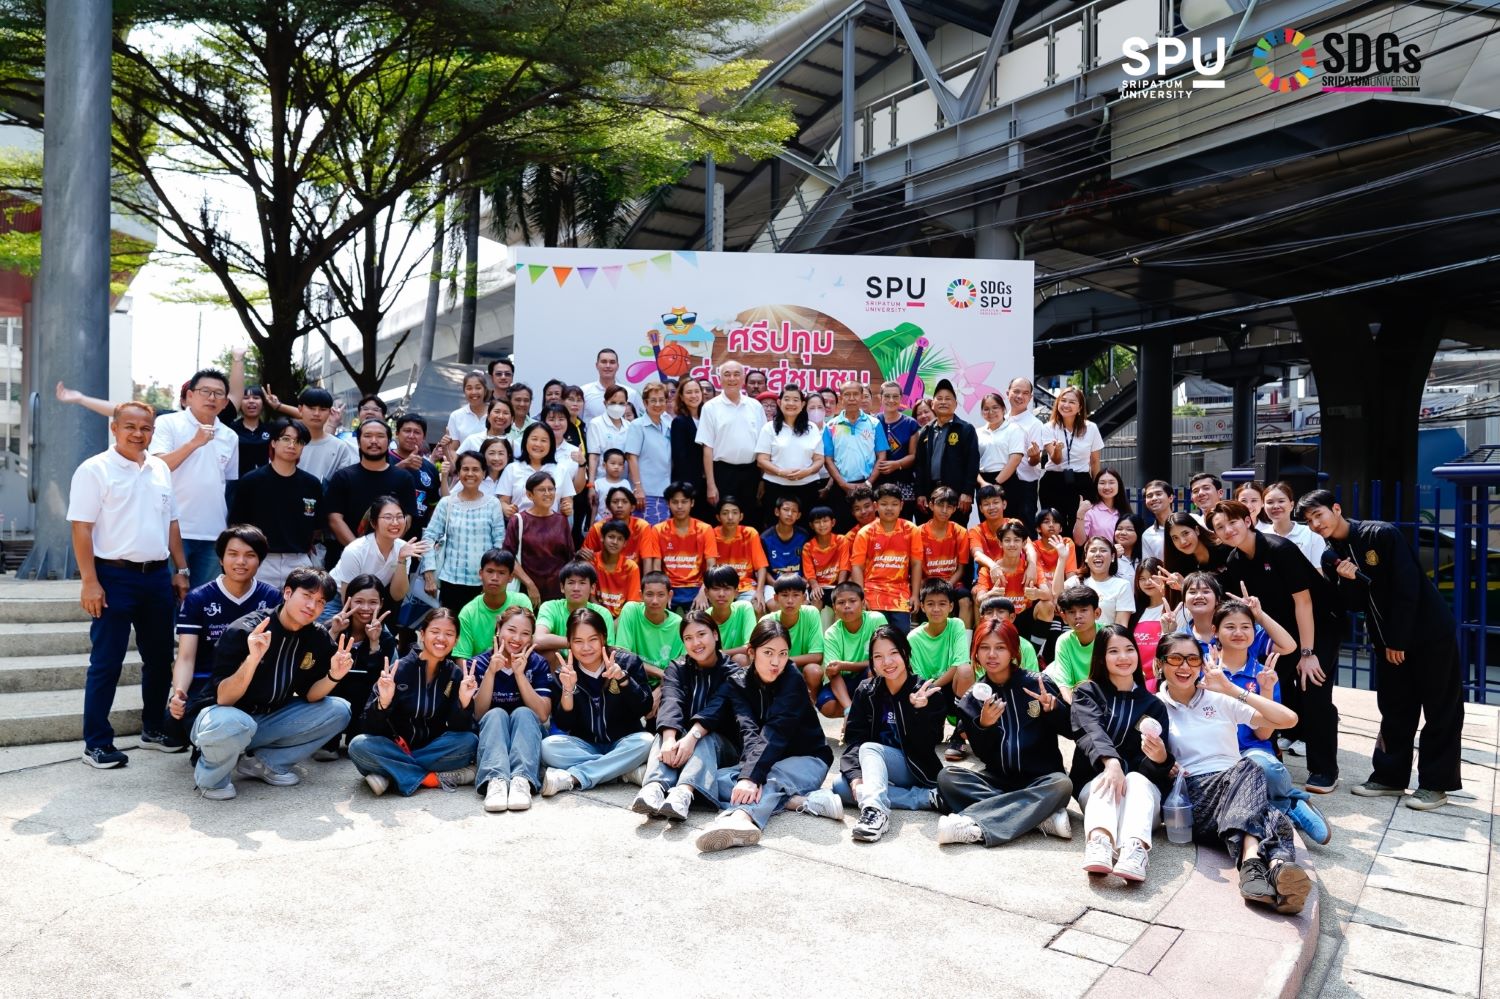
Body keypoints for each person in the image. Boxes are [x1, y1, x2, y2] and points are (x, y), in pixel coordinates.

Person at [1299, 490, 1464, 810]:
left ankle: (1435, 784)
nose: (1316, 524)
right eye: (1309, 521)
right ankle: (1389, 777)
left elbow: (1407, 587)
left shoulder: (1380, 534)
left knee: (1441, 708)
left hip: (1427, 633)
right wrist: (1347, 580)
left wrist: (1398, 641)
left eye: (1319, 515)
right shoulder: (1331, 555)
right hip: (1387, 641)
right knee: (1395, 706)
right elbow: (1352, 605)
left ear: (1336, 508)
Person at [68, 402, 190, 768]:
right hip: (113, 576)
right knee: (107, 661)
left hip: (156, 577)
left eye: (146, 428)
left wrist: (181, 568)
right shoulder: (94, 470)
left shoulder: (160, 469)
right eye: (130, 427)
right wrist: (90, 582)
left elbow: (171, 522)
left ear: (153, 430)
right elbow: (81, 528)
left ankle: (153, 728)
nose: (138, 434)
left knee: (160, 658)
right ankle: (96, 743)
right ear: (114, 428)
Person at [1155, 632, 1310, 914]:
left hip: (1237, 790)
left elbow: (1289, 719)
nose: (1185, 666)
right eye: (1175, 658)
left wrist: (1231, 688)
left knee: (1268, 809)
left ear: (1202, 664)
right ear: (1160, 664)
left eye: (1192, 659)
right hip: (1195, 798)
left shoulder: (1219, 699)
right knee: (1251, 770)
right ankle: (1274, 864)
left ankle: (1266, 869)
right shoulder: (1155, 706)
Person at [184, 568, 356, 799]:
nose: (312, 606)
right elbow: (224, 698)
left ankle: (263, 764)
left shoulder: (317, 637)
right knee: (233, 722)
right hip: (219, 717)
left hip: (265, 719)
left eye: (320, 602)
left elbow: (311, 695)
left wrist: (334, 675)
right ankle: (212, 779)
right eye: (307, 595)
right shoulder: (246, 630)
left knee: (339, 710)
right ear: (287, 593)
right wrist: (252, 659)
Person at [1213, 499, 1341, 794]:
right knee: (1270, 685)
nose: (1228, 530)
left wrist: (1307, 653)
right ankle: (1270, 753)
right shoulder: (1234, 560)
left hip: (1318, 625)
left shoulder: (1279, 549)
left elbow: (1304, 603)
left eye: (1232, 522)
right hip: (1280, 631)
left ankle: (1324, 769)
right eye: (1220, 527)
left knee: (1313, 690)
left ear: (1248, 520)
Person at [691, 619, 842, 851]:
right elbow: (749, 731)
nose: (776, 662)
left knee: (767, 780)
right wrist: (749, 777)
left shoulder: (792, 679)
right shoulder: (739, 683)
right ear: (751, 652)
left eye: (783, 653)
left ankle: (742, 818)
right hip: (767, 760)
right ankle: (799, 802)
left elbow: (775, 732)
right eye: (768, 652)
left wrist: (752, 778)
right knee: (715, 780)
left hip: (809, 759)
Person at [935, 619, 1075, 847]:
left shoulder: (1038, 684)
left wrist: (1054, 709)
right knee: (947, 778)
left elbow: (1071, 731)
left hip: (1041, 780)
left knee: (1062, 785)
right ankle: (1040, 816)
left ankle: (975, 827)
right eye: (984, 647)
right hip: (997, 781)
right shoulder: (972, 699)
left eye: (1000, 647)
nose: (992, 654)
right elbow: (982, 754)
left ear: (1013, 651)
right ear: (976, 652)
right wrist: (984, 725)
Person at [1068, 625, 1174, 881]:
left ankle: (1134, 851)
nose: (1123, 657)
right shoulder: (1087, 693)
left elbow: (1153, 769)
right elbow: (1091, 731)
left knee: (1137, 779)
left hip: (1140, 800)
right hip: (1096, 791)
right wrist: (1112, 764)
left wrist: (1161, 758)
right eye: (1113, 651)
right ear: (1101, 658)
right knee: (1106, 778)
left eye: (1129, 649)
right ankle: (1099, 843)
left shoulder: (1153, 705)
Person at [167, 527, 281, 751]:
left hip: (254, 683)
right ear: (220, 559)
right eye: (233, 554)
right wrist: (179, 692)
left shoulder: (271, 597)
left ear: (260, 560)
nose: (241, 562)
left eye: (250, 555)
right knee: (175, 726)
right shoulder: (198, 598)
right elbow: (186, 657)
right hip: (206, 684)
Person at [834, 625, 951, 841]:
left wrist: (918, 711)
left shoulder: (926, 693)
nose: (887, 662)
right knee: (841, 787)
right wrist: (855, 777)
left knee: (870, 749)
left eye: (893, 653)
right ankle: (927, 798)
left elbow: (929, 743)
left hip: (913, 767)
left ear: (905, 653)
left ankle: (876, 812)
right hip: (875, 767)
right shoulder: (866, 691)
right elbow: (855, 739)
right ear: (872, 661)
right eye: (878, 656)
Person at [348, 608, 478, 795]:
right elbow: (368, 726)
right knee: (358, 746)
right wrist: (383, 702)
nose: (441, 638)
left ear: (456, 640)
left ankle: (390, 774)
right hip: (392, 747)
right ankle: (431, 779)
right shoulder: (398, 670)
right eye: (435, 631)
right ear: (422, 634)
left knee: (470, 741)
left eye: (449, 634)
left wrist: (464, 703)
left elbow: (460, 728)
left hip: (433, 749)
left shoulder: (454, 674)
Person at [632, 611, 736, 820]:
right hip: (683, 742)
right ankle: (654, 788)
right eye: (688, 638)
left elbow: (717, 708)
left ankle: (684, 793)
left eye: (701, 634)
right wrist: (670, 739)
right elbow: (672, 701)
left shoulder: (732, 671)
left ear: (715, 635)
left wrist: (692, 737)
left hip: (722, 746)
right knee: (664, 735)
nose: (696, 643)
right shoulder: (677, 668)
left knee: (703, 738)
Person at [539, 607, 654, 795]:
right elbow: (565, 724)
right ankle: (622, 771)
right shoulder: (565, 673)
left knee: (647, 741)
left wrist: (624, 680)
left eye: (592, 639)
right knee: (547, 747)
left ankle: (574, 777)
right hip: (586, 745)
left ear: (603, 638)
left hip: (624, 741)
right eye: (578, 641)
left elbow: (645, 708)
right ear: (569, 643)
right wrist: (568, 689)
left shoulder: (627, 663)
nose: (586, 647)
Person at [148, 367, 240, 586]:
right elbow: (158, 466)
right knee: (169, 597)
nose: (211, 398)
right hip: (171, 529)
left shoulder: (230, 436)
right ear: (189, 396)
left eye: (218, 393)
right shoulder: (168, 423)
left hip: (213, 533)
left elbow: (228, 484)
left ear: (225, 402)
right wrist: (194, 443)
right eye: (205, 391)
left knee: (204, 600)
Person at [471, 606, 553, 812]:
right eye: (511, 630)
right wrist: (491, 673)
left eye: (525, 633)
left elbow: (543, 714)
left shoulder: (537, 663)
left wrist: (519, 674)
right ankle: (495, 781)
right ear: (499, 629)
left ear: (531, 638)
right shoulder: (480, 663)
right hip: (492, 741)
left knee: (523, 712)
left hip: (527, 739)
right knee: (496, 713)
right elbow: (478, 714)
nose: (517, 638)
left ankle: (521, 780)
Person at [229, 418, 323, 589]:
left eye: (298, 441)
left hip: (299, 560)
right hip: (261, 560)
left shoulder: (312, 484)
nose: (292, 445)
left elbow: (316, 527)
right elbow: (236, 525)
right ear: (273, 442)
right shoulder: (251, 481)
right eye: (286, 439)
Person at [317, 574, 398, 759]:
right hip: (332, 697)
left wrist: (374, 644)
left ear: (381, 603)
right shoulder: (331, 627)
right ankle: (328, 740)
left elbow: (378, 678)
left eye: (373, 602)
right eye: (359, 601)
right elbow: (315, 666)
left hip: (363, 702)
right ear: (348, 601)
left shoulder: (386, 638)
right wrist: (333, 633)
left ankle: (357, 736)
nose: (366, 608)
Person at [321, 418, 417, 570]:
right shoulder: (343, 477)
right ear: (359, 442)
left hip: (387, 561)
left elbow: (407, 518)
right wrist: (360, 553)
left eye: (380, 436)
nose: (374, 441)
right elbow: (334, 519)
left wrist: (382, 551)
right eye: (367, 436)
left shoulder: (404, 478)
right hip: (345, 560)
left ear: (389, 442)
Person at [419, 450, 507, 614]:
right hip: (450, 581)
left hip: (483, 583)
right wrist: (429, 574)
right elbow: (429, 537)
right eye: (465, 469)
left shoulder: (493, 504)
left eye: (476, 469)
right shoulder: (447, 503)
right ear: (458, 473)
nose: (470, 474)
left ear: (484, 473)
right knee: (451, 626)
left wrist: (493, 577)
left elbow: (499, 544)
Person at [698, 361, 767, 523]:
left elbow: (763, 446)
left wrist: (762, 479)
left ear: (743, 379)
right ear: (719, 379)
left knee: (750, 520)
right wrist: (710, 484)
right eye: (727, 374)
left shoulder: (755, 406)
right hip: (722, 473)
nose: (732, 379)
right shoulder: (710, 407)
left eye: (736, 374)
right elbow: (707, 448)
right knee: (723, 521)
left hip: (751, 473)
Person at [329, 496, 426, 605]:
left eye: (399, 517)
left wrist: (402, 560)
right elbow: (346, 599)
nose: (395, 522)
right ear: (373, 523)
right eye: (388, 517)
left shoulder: (404, 549)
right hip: (336, 599)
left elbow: (397, 595)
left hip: (368, 602)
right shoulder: (356, 550)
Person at [850, 483, 918, 634]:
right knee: (875, 636)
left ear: (901, 505)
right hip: (872, 592)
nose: (889, 508)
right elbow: (857, 567)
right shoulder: (865, 533)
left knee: (901, 636)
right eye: (884, 504)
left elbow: (916, 564)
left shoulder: (911, 530)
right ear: (876, 506)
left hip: (900, 594)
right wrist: (861, 596)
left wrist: (915, 595)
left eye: (894, 504)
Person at [641, 482, 718, 612]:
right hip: (668, 586)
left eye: (684, 502)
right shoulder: (658, 530)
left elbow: (711, 566)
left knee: (700, 620)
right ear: (668, 503)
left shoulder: (705, 529)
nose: (680, 506)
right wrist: (661, 592)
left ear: (692, 503)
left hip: (696, 586)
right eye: (675, 502)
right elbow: (656, 567)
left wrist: (703, 592)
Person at [502, 471, 576, 605]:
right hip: (526, 590)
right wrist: (530, 584)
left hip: (557, 592)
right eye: (542, 490)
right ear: (530, 495)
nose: (547, 493)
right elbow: (508, 557)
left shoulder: (562, 520)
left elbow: (569, 558)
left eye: (551, 489)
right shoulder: (518, 520)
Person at [1037, 386, 1102, 535]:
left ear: (1080, 407)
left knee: (1080, 525)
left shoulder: (1091, 428)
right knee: (1053, 526)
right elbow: (1056, 459)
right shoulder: (1049, 427)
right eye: (1063, 400)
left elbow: (1095, 462)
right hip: (1054, 481)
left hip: (1081, 481)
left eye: (1072, 402)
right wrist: (1058, 449)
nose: (1066, 405)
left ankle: (1078, 551)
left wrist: (1096, 488)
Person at [821, 380, 885, 531]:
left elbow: (882, 456)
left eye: (855, 394)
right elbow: (828, 459)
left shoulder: (874, 424)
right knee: (842, 531)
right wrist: (843, 484)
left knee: (870, 531)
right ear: (841, 398)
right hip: (841, 488)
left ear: (862, 396)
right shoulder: (831, 426)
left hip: (868, 486)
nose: (851, 398)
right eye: (847, 395)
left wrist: (868, 483)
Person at [755, 383, 825, 520]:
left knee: (805, 526)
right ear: (779, 402)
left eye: (795, 400)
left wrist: (807, 472)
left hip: (807, 486)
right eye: (787, 399)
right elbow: (761, 460)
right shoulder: (769, 428)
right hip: (776, 487)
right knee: (775, 524)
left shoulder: (812, 428)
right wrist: (780, 472)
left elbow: (819, 459)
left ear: (802, 404)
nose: (791, 403)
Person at [913, 379, 979, 520]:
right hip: (930, 496)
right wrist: (920, 493)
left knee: (956, 532)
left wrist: (967, 492)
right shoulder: (925, 431)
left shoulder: (965, 429)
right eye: (940, 398)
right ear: (933, 404)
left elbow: (972, 463)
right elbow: (919, 465)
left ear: (955, 404)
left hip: (957, 497)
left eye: (948, 399)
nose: (943, 402)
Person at [818, 582, 886, 718]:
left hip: (868, 674)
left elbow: (883, 659)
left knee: (874, 670)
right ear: (834, 608)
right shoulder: (832, 633)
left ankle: (872, 715)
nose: (847, 606)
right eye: (841, 602)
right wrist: (849, 709)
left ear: (863, 603)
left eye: (852, 601)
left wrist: (844, 665)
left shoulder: (876, 620)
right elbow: (833, 672)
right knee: (827, 706)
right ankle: (851, 713)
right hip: (844, 681)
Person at [454, 549, 534, 658]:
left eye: (501, 573)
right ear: (481, 573)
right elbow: (462, 657)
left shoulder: (521, 601)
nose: (495, 578)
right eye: (490, 571)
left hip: (518, 662)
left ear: (511, 577)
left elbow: (529, 641)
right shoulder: (468, 612)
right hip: (480, 667)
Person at [911, 485, 972, 628]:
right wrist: (922, 587)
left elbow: (961, 569)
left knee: (965, 601)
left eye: (949, 506)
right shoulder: (918, 532)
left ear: (955, 509)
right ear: (931, 505)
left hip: (951, 583)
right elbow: (915, 567)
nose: (944, 510)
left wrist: (947, 586)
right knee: (914, 598)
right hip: (926, 583)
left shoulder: (961, 532)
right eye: (940, 505)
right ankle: (913, 634)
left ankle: (963, 639)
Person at [615, 572, 685, 684]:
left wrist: (661, 686)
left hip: (666, 684)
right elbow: (622, 655)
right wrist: (660, 673)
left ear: (669, 595)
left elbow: (679, 668)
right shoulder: (631, 610)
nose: (655, 601)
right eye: (649, 594)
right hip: (633, 680)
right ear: (641, 595)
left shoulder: (679, 624)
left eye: (661, 595)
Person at [499, 423, 578, 518]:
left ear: (551, 444)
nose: (538, 444)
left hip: (551, 524)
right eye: (534, 439)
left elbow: (567, 500)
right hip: (520, 524)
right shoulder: (512, 469)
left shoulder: (561, 470)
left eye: (544, 440)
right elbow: (503, 501)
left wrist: (567, 507)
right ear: (525, 441)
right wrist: (506, 508)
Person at [624, 381, 674, 524]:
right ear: (645, 403)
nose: (657, 404)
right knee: (647, 533)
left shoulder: (668, 424)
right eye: (653, 400)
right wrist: (638, 488)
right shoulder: (637, 425)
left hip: (666, 491)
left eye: (661, 400)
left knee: (661, 534)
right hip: (646, 493)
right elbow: (631, 457)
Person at [1002, 377, 1046, 528]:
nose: (1020, 396)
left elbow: (1034, 461)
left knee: (1024, 529)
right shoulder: (1000, 420)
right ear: (1008, 393)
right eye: (1016, 391)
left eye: (1025, 393)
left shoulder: (1035, 424)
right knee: (1001, 528)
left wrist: (1034, 456)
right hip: (1001, 483)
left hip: (1024, 487)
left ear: (1030, 397)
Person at [1046, 585, 1102, 701]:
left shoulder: (1110, 636)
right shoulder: (1064, 641)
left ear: (1097, 613)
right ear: (1064, 617)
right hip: (1079, 700)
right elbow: (1064, 684)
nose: (1077, 616)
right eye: (1071, 612)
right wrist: (1077, 707)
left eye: (1083, 610)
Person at [875, 381, 920, 520]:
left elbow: (913, 455)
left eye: (895, 396)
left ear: (901, 398)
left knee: (904, 524)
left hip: (904, 483)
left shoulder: (910, 423)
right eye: (887, 396)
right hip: (878, 482)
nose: (891, 400)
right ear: (880, 398)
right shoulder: (873, 422)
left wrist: (897, 464)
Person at [712, 496, 768, 606]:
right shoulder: (711, 534)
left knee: (757, 607)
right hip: (719, 587)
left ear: (741, 516)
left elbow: (761, 566)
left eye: (735, 513)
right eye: (725, 513)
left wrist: (759, 591)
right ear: (718, 517)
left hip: (745, 586)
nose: (730, 517)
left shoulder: (750, 533)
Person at [293, 387, 357, 482]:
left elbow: (343, 482)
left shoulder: (339, 447)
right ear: (300, 409)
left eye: (322, 409)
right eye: (311, 408)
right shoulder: (288, 442)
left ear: (330, 412)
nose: (316, 413)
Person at [670, 375, 711, 522]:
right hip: (690, 484)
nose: (693, 395)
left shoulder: (708, 417)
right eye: (688, 392)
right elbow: (679, 458)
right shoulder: (679, 421)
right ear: (681, 396)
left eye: (696, 391)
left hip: (709, 482)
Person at [1261, 480, 1328, 569]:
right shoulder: (1260, 537)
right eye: (1270, 502)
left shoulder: (1311, 534)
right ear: (1263, 506)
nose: (1276, 506)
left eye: (1281, 501)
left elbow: (1319, 571)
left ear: (1292, 505)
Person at [1128, 558, 1172, 686]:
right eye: (1142, 578)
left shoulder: (1174, 608)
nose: (1147, 582)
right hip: (1137, 680)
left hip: (1164, 680)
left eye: (1153, 577)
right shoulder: (1133, 611)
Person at [704, 565, 759, 663]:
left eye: (727, 588)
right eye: (716, 588)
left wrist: (719, 653)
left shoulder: (744, 608)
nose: (721, 594)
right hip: (713, 666)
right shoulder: (704, 619)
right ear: (706, 592)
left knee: (740, 658)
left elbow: (751, 646)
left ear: (736, 592)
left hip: (738, 665)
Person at [976, 392, 1024, 505]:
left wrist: (995, 484)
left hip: (1006, 481)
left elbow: (1015, 459)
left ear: (1003, 409)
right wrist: (982, 483)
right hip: (983, 483)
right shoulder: (977, 433)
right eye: (986, 409)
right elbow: (971, 462)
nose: (991, 412)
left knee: (1009, 516)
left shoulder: (1014, 429)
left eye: (995, 407)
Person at [582, 486, 652, 563]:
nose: (619, 505)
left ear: (632, 507)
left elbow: (647, 558)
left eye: (624, 502)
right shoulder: (598, 528)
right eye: (615, 502)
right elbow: (585, 557)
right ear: (608, 507)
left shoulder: (642, 527)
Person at [801, 505, 849, 614]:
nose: (822, 525)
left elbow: (844, 567)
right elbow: (809, 573)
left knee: (840, 604)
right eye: (817, 522)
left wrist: (840, 587)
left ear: (833, 522)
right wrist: (815, 586)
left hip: (837, 585)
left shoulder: (841, 540)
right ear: (811, 525)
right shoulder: (808, 547)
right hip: (819, 586)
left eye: (825, 521)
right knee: (815, 601)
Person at [1076, 535, 1134, 626]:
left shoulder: (1122, 585)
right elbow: (1056, 597)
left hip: (1109, 635)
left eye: (1103, 550)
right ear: (1086, 557)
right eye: (1093, 550)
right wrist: (1062, 559)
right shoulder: (1077, 582)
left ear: (1113, 557)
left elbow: (1121, 625)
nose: (1098, 554)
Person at [760, 495, 810, 596]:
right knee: (773, 603)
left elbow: (809, 564)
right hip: (774, 584)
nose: (790, 514)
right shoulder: (765, 538)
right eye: (786, 510)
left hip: (798, 583)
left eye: (794, 511)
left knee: (803, 603)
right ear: (777, 512)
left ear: (799, 515)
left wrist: (804, 581)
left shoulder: (804, 536)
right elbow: (762, 568)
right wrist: (776, 585)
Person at [226, 385, 273, 491]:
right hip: (236, 487)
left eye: (256, 398)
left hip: (265, 485)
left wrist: (278, 406)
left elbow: (304, 420)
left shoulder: (271, 429)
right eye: (245, 398)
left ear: (263, 403)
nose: (251, 401)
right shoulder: (230, 429)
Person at [593, 519, 643, 616]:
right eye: (611, 537)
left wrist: (615, 623)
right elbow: (590, 598)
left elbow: (632, 604)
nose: (615, 542)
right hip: (595, 615)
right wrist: (605, 619)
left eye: (620, 539)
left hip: (621, 618)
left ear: (625, 543)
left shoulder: (631, 567)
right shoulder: (592, 561)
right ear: (602, 538)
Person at [581, 348, 643, 420]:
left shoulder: (631, 394)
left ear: (617, 366)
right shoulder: (584, 392)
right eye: (604, 362)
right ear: (597, 365)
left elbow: (639, 422)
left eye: (612, 362)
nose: (608, 366)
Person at [1074, 467, 1129, 548]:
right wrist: (1080, 514)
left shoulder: (1125, 511)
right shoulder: (1090, 511)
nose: (1107, 487)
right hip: (1099, 555)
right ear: (1096, 486)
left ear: (1119, 485)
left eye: (1111, 482)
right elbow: (1079, 542)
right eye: (1102, 483)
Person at [586, 385, 633, 479]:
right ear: (605, 403)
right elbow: (593, 456)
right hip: (602, 480)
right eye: (613, 403)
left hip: (624, 481)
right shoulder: (596, 424)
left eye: (621, 403)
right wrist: (591, 483)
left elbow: (631, 457)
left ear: (626, 404)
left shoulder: (629, 426)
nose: (617, 406)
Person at [1162, 511, 1226, 579]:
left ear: (1197, 530)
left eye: (1185, 533)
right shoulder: (1179, 565)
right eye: (1175, 538)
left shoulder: (1223, 549)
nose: (1182, 542)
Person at [446, 370, 491, 443]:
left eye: (478, 388)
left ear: (485, 390)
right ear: (464, 391)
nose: (474, 392)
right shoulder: (456, 416)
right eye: (469, 388)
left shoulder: (495, 413)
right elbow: (453, 447)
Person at [1140, 479, 1174, 562]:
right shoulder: (1147, 535)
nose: (1154, 498)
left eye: (1158, 494)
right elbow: (1150, 566)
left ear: (1170, 498)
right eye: (1149, 496)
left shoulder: (1190, 521)